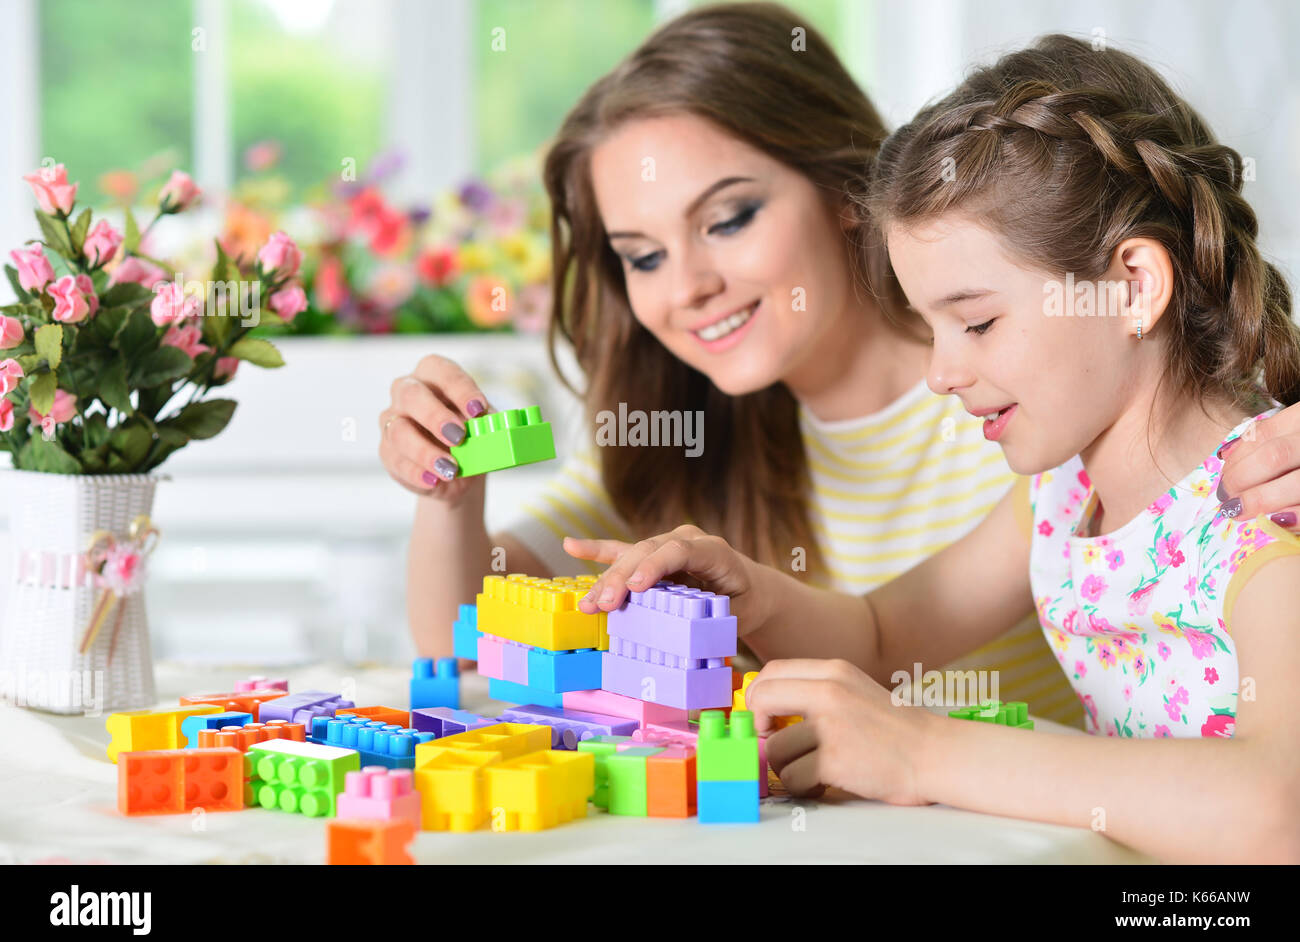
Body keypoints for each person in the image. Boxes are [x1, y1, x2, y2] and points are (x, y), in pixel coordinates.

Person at [379, 3, 1300, 730]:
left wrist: (925, 750)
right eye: (643, 255)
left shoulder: (1048, 404)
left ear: (845, 194)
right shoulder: (692, 433)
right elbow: (464, 637)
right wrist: (448, 493)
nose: (690, 285)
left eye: (729, 217)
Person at [564, 34, 1300, 863]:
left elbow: (1279, 811)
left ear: (1133, 285)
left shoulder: (1267, 513)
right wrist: (754, 596)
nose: (944, 373)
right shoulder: (1058, 499)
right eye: (934, 326)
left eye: (977, 322)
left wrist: (924, 750)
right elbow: (884, 632)